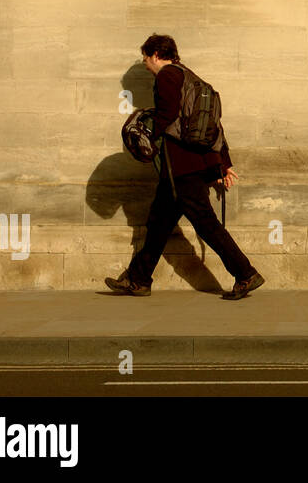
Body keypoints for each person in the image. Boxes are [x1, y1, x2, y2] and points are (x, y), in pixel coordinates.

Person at [106, 34, 265, 300]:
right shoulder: (194, 79)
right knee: (158, 222)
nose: (146, 65)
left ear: (156, 54)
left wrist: (147, 137)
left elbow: (167, 115)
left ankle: (245, 273)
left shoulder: (168, 76)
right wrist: (223, 163)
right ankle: (138, 279)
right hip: (191, 165)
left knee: (206, 224)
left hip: (181, 167)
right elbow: (215, 127)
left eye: (146, 58)